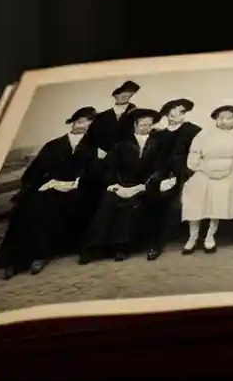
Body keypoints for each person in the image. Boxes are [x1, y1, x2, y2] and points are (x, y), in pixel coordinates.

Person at [0, 106, 97, 279]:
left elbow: (93, 169)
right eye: (79, 121)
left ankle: (40, 255)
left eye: (88, 122)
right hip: (50, 185)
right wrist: (48, 183)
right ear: (73, 122)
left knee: (56, 207)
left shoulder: (92, 147)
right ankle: (15, 260)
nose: (82, 125)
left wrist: (78, 182)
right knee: (29, 206)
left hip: (77, 188)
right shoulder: (53, 145)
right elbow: (35, 171)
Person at [79, 107, 159, 263]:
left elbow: (158, 168)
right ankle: (94, 248)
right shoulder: (121, 145)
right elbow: (110, 167)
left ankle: (123, 247)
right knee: (108, 202)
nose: (146, 128)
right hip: (120, 184)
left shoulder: (157, 144)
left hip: (143, 186)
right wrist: (115, 185)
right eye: (142, 124)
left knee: (132, 205)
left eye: (149, 125)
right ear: (135, 125)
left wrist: (142, 186)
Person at [72, 79, 141, 247]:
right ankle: (88, 242)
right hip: (103, 161)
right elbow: (90, 141)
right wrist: (98, 153)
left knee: (122, 196)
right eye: (122, 94)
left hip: (125, 162)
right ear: (115, 96)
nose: (125, 97)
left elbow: (138, 138)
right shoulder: (102, 117)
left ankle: (120, 243)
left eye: (129, 95)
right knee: (93, 192)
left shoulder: (135, 115)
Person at [182, 105, 233, 254]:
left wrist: (229, 170)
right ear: (215, 119)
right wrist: (203, 169)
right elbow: (193, 156)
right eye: (221, 118)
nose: (225, 121)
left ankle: (210, 236)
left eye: (229, 118)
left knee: (219, 195)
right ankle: (192, 237)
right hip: (204, 170)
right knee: (193, 192)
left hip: (228, 173)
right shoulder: (203, 135)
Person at [142, 98, 201, 260]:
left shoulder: (193, 130)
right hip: (163, 172)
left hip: (187, 171)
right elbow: (154, 160)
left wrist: (179, 175)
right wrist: (161, 178)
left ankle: (195, 237)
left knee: (190, 192)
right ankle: (155, 243)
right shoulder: (158, 135)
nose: (176, 115)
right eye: (172, 112)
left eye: (181, 112)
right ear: (166, 113)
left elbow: (199, 154)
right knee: (154, 194)